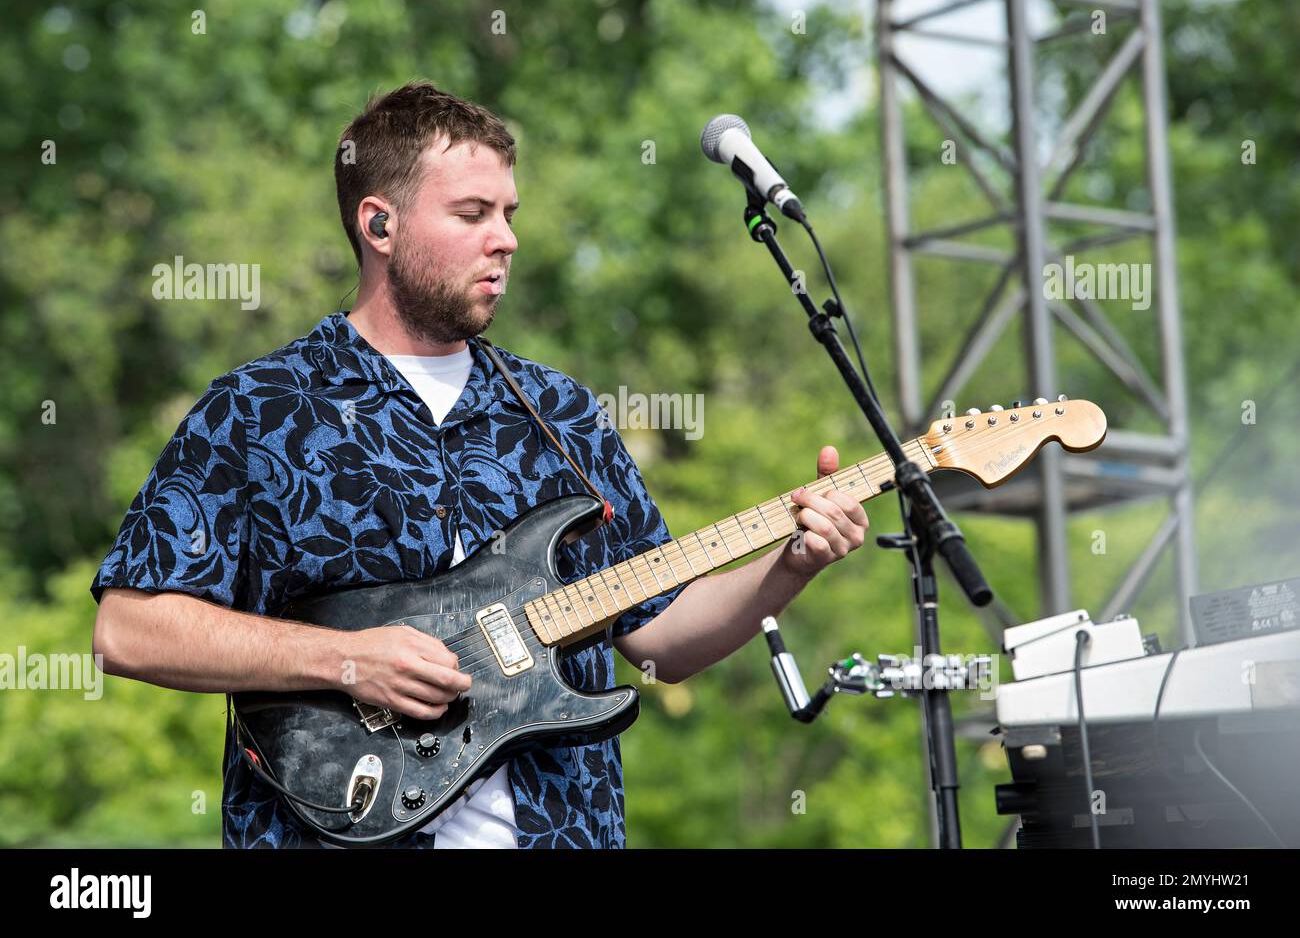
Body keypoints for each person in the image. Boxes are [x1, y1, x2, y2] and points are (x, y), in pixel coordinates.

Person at [90, 82, 869, 848]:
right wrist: (345, 661)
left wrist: (789, 566)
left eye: (508, 214)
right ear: (379, 224)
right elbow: (129, 630)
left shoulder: (560, 413)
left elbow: (657, 638)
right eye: (472, 214)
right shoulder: (261, 409)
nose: (506, 239)